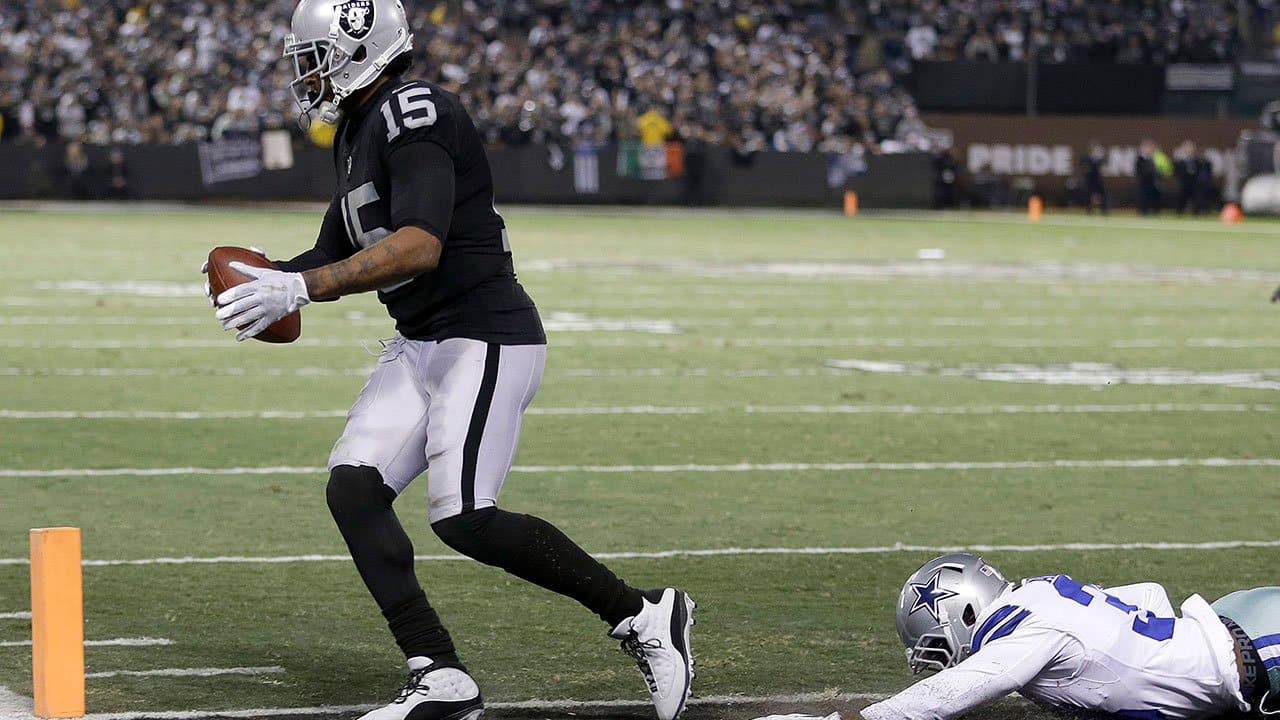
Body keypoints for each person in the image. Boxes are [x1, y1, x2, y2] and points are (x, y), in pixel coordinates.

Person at [200, 1, 695, 719]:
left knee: (464, 516)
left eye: (314, 56)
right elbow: (337, 251)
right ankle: (439, 673)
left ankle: (646, 616)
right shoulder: (357, 128)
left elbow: (418, 245)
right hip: (422, 339)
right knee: (355, 488)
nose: (304, 73)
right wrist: (272, 282)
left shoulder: (416, 109)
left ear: (359, 47)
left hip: (484, 335)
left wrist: (300, 288)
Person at [857, 553, 1276, 720]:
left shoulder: (1027, 632)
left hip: (1259, 651)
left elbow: (948, 694)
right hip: (1239, 619)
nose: (941, 659)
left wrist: (854, 719)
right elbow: (1150, 593)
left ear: (962, 613)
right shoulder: (1038, 595)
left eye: (936, 644)